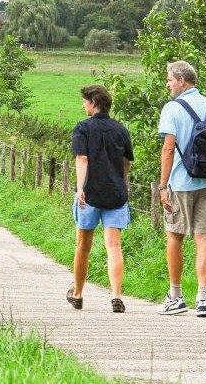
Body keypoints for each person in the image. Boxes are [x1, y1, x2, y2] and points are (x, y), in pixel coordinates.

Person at [155, 61, 206, 317]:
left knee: (174, 236)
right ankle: (203, 299)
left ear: (182, 80)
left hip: (181, 182)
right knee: (203, 237)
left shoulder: (172, 108)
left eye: (169, 79)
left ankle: (176, 295)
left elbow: (168, 148)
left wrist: (162, 186)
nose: (167, 84)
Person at [66, 84, 134, 313]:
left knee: (83, 246)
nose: (83, 104)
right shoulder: (120, 129)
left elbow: (82, 159)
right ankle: (116, 296)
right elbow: (126, 162)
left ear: (93, 103)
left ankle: (77, 294)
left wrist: (80, 188)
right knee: (114, 245)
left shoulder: (82, 128)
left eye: (85, 101)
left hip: (91, 194)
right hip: (115, 194)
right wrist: (121, 182)